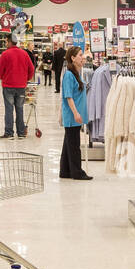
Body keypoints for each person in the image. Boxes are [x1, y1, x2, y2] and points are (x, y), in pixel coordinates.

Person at [59, 46, 92, 181]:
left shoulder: (77, 73)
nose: (82, 57)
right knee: (74, 145)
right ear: (72, 58)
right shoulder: (68, 75)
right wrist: (76, 113)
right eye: (80, 55)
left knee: (68, 143)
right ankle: (77, 172)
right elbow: (68, 96)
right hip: (73, 116)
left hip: (76, 115)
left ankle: (65, 170)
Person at [0, 34, 35, 139]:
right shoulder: (24, 53)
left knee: (9, 109)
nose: (5, 44)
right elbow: (31, 68)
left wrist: (3, 78)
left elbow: (0, 70)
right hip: (21, 86)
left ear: (9, 42)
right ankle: (21, 132)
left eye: (6, 42)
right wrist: (26, 78)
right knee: (20, 109)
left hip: (8, 86)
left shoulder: (5, 54)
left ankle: (9, 132)